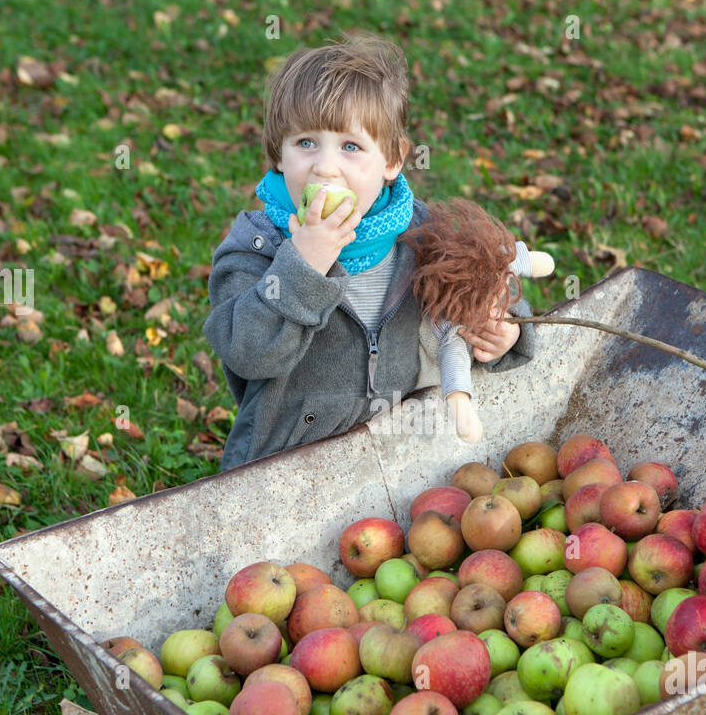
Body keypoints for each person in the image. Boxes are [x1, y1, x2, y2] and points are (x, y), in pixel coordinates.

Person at [203, 31, 536, 472]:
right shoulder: (258, 245)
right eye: (305, 143)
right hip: (282, 471)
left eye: (351, 147)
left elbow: (474, 288)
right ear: (278, 154)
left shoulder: (422, 235)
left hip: (394, 461)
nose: (324, 166)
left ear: (393, 160)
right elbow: (247, 353)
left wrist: (504, 331)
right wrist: (304, 264)